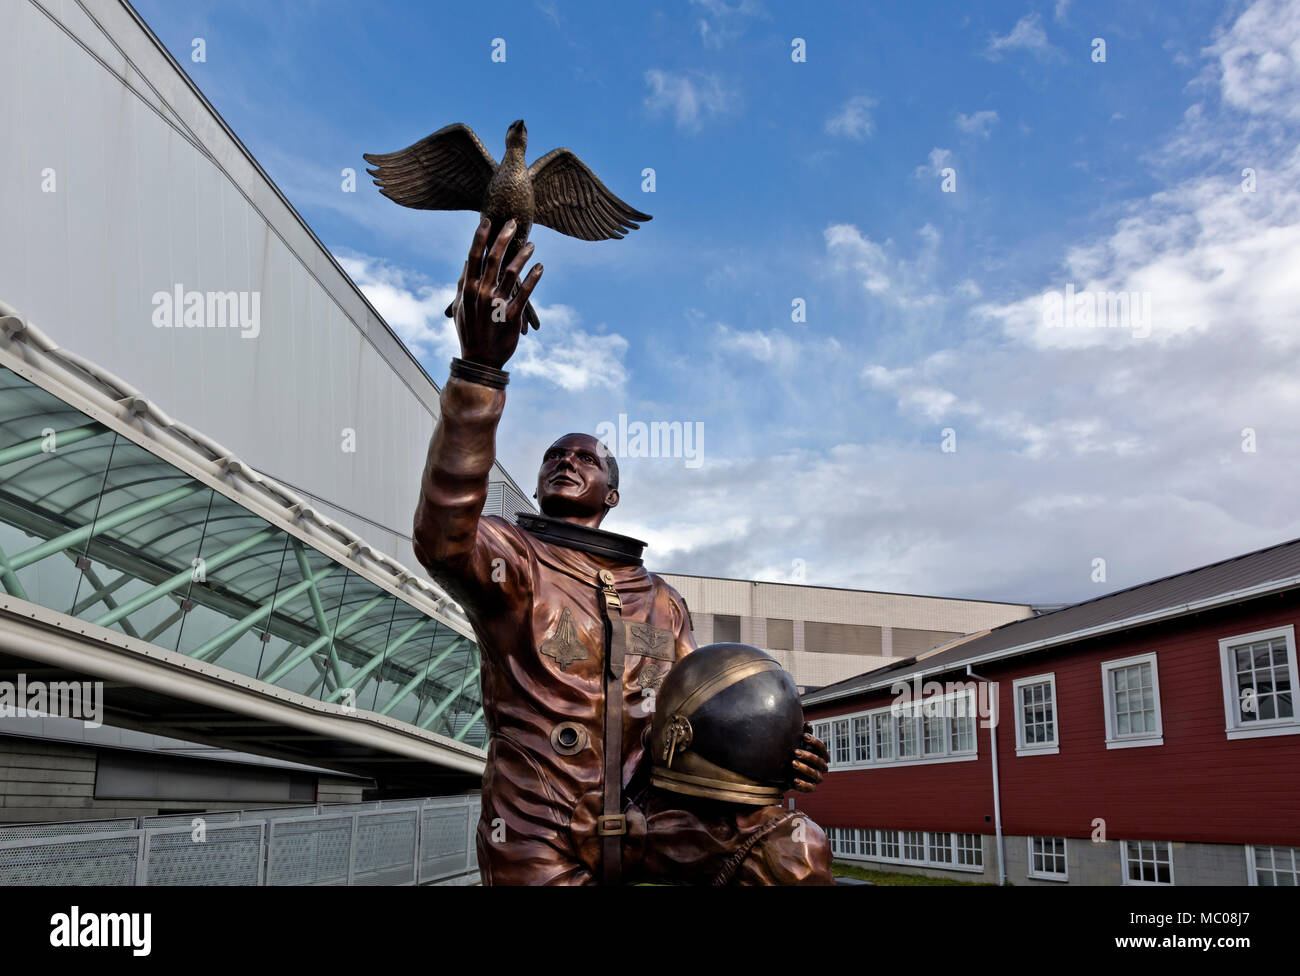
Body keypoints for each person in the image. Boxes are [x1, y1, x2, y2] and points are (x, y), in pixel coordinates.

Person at [413, 217, 830, 885]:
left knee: (798, 854)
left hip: (652, 822)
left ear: (612, 492)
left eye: (586, 458)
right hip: (539, 830)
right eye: (555, 456)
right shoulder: (516, 562)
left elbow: (699, 711)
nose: (567, 462)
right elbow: (443, 534)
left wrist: (773, 752)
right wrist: (481, 372)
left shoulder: (660, 601)